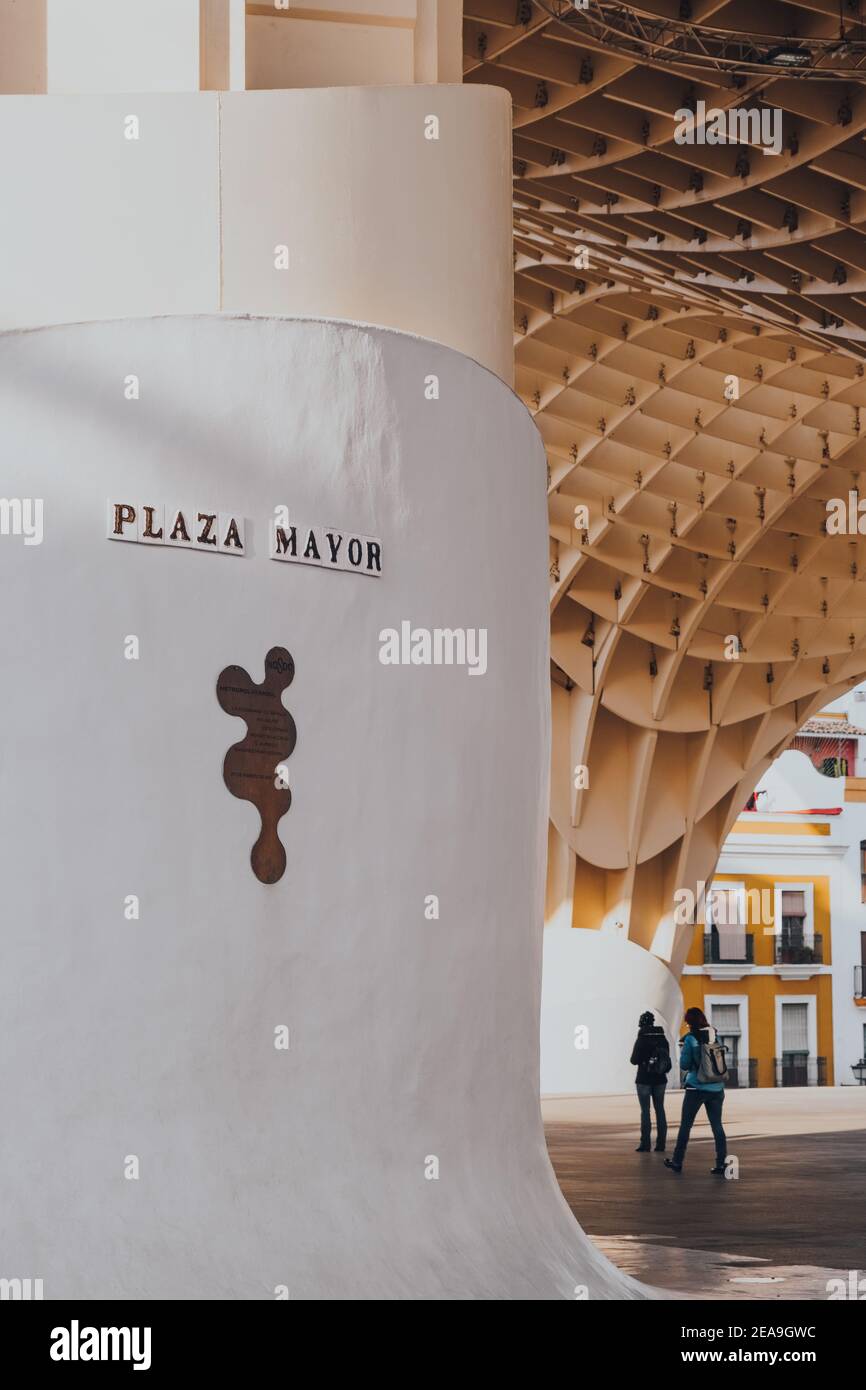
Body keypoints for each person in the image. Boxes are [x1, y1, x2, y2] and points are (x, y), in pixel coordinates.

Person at [665, 1007, 728, 1175]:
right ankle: (721, 1163)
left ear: (690, 1022)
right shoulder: (715, 1035)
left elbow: (685, 1065)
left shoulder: (691, 1039)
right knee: (717, 1126)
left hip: (696, 1087)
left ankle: (677, 1161)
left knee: (686, 1125)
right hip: (717, 1087)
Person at [629, 1010, 670, 1153]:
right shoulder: (662, 1038)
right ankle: (661, 1144)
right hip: (660, 1079)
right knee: (660, 1109)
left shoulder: (641, 1038)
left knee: (645, 1111)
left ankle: (645, 1144)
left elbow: (633, 1060)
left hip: (644, 1079)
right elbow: (666, 1059)